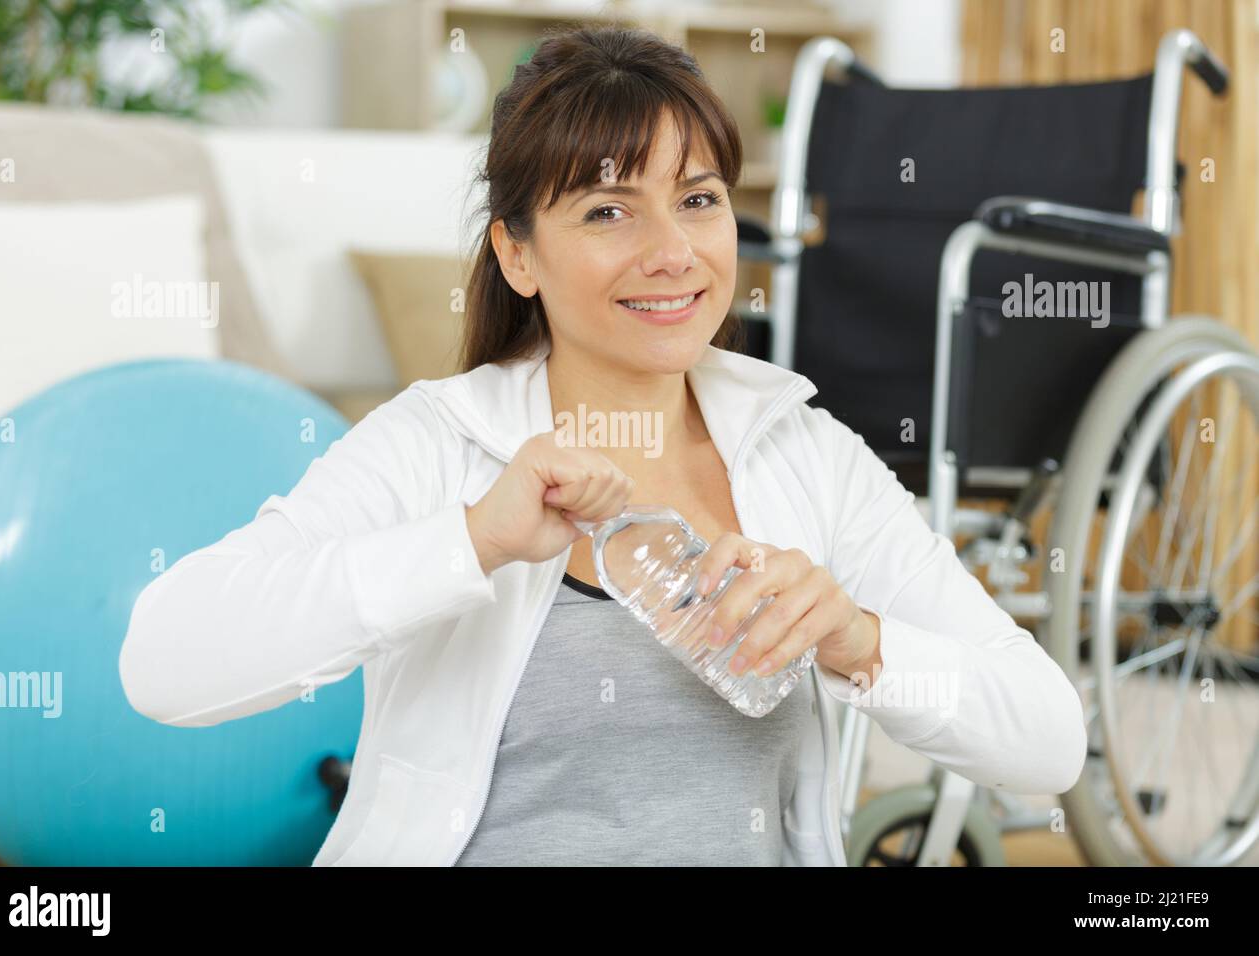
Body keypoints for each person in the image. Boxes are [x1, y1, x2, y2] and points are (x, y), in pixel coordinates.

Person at [119, 24, 1086, 867]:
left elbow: (1048, 743)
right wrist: (471, 542)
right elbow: (163, 662)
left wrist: (857, 640)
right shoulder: (437, 446)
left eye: (699, 200)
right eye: (608, 210)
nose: (673, 252)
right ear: (516, 253)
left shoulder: (808, 453)